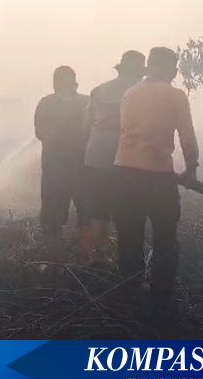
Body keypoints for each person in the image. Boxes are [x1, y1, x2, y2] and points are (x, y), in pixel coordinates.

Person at [113, 47, 199, 313]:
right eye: (173, 68)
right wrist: (191, 169)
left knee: (129, 236)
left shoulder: (130, 93)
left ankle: (129, 289)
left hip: (125, 174)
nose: (175, 73)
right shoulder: (175, 95)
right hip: (159, 177)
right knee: (164, 237)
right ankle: (160, 294)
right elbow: (187, 137)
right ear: (169, 69)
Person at [83, 51, 146, 264]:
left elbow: (86, 126)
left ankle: (99, 256)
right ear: (139, 71)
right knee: (126, 211)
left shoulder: (99, 91)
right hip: (125, 159)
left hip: (96, 156)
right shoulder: (140, 93)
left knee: (100, 209)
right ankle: (125, 260)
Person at [34, 66, 90, 245]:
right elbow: (41, 132)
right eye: (59, 83)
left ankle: (83, 257)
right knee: (54, 215)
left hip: (76, 168)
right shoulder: (47, 103)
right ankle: (56, 261)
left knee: (85, 213)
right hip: (59, 169)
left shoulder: (87, 103)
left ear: (75, 84)